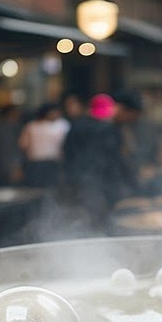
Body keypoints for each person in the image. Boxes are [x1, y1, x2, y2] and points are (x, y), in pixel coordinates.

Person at [63, 93, 123, 227]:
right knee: (103, 219)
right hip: (102, 182)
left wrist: (71, 180)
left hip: (79, 181)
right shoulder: (107, 129)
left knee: (85, 218)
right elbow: (112, 159)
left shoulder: (75, 126)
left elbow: (67, 154)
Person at [18, 103, 69, 190]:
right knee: (35, 189)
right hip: (35, 163)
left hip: (53, 163)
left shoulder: (62, 125)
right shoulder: (32, 126)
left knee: (52, 189)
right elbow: (23, 145)